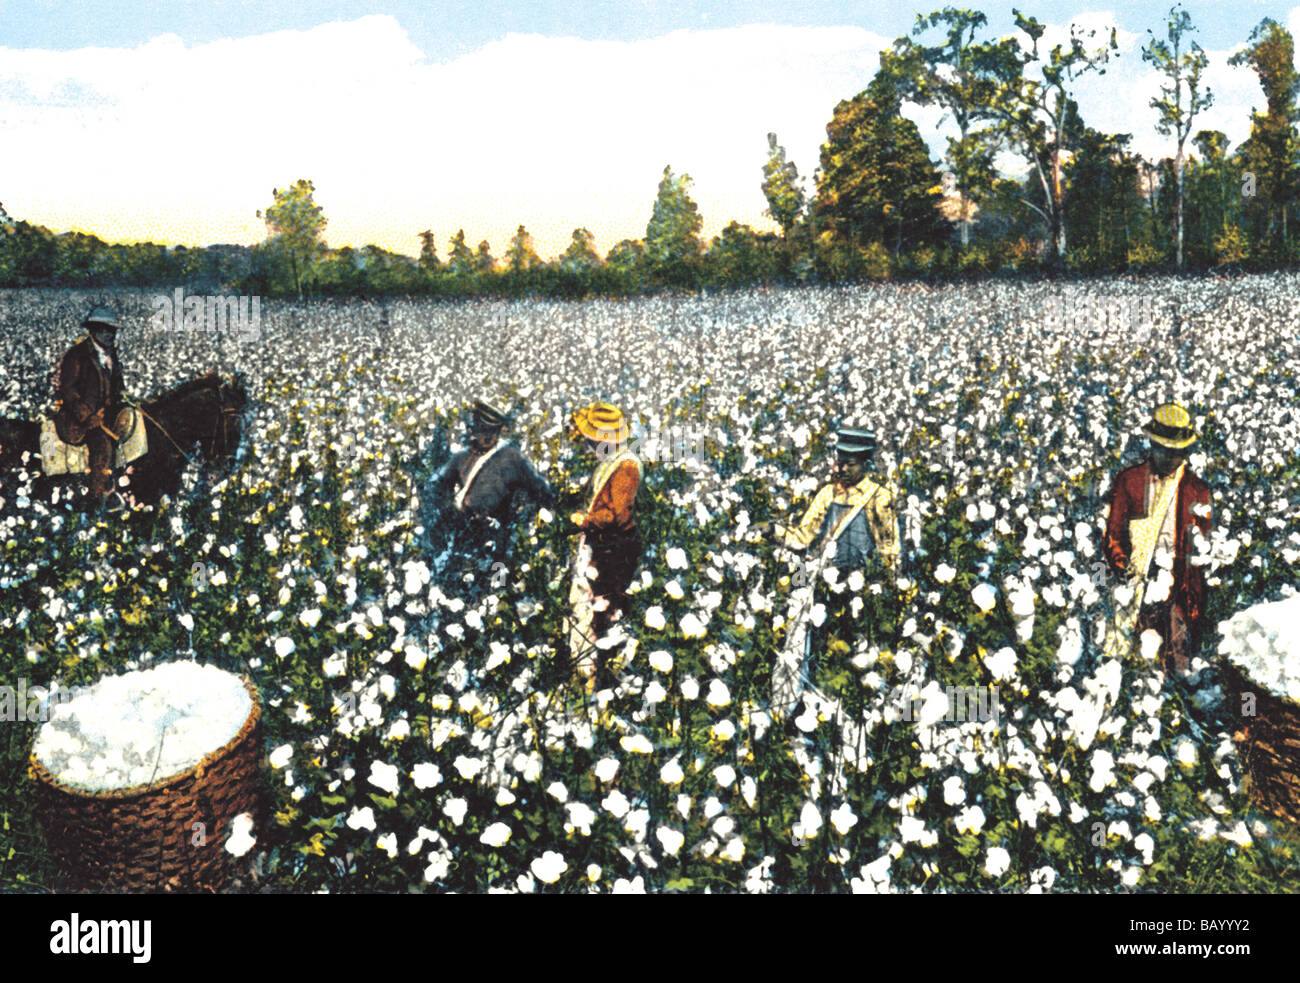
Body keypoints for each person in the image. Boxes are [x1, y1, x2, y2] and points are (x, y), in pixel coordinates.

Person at [771, 427, 900, 716]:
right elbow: (803, 537)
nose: (841, 469)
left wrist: (889, 583)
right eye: (840, 462)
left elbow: (889, 546)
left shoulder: (879, 497)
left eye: (849, 464)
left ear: (866, 464)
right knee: (813, 642)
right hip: (823, 581)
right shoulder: (827, 493)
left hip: (857, 587)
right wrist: (774, 532)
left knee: (854, 649)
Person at [1102, 402, 1211, 675]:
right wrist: (1123, 566)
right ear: (1152, 446)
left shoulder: (1197, 490)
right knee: (1134, 658)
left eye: (1176, 452)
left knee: (1178, 661)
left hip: (1178, 584)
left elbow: (1202, 546)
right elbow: (1114, 534)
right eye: (1163, 449)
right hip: (1136, 579)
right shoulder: (1129, 480)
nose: (1169, 458)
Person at [429, 399, 553, 592]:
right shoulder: (464, 456)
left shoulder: (512, 459)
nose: (473, 436)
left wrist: (531, 517)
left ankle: (498, 599)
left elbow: (540, 490)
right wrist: (448, 510)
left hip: (498, 538)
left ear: (493, 434)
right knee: (461, 587)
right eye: (474, 431)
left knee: (497, 588)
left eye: (479, 432)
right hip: (463, 533)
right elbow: (438, 483)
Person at [567, 402, 642, 684]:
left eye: (592, 441)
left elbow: (616, 513)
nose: (588, 446)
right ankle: (584, 671)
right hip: (600, 547)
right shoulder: (613, 462)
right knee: (587, 610)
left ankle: (596, 678)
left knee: (601, 613)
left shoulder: (626, 467)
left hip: (612, 553)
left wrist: (585, 520)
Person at [52, 305, 128, 504]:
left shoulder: (111, 354)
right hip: (77, 420)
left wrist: (123, 400)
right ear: (93, 330)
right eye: (105, 330)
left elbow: (116, 385)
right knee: (102, 443)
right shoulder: (77, 355)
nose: (110, 334)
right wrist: (88, 415)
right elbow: (68, 391)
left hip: (104, 414)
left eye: (113, 330)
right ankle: (98, 498)